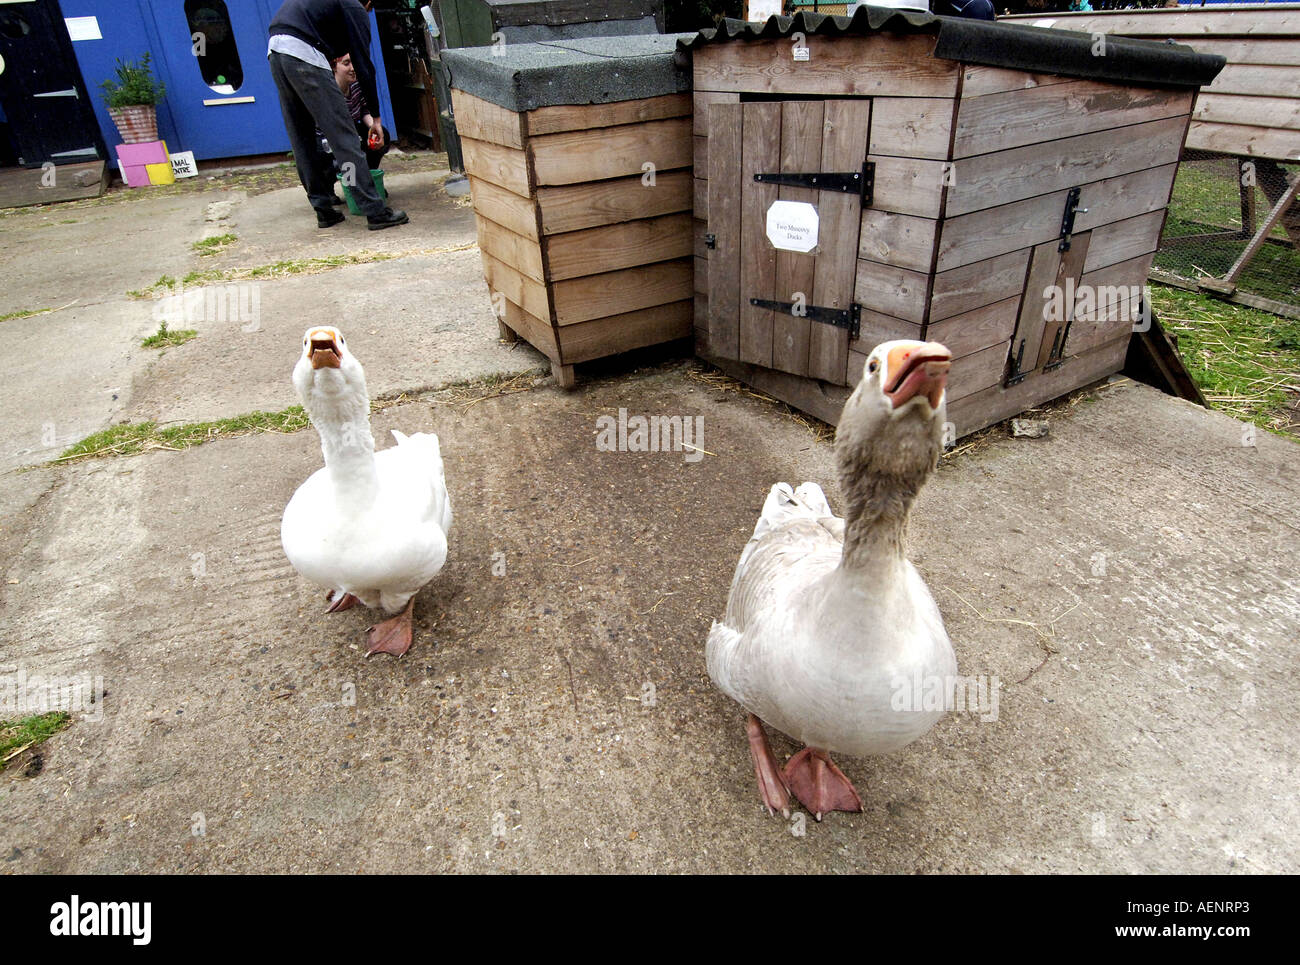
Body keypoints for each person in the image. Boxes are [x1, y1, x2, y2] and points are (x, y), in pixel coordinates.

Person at [267, 0, 407, 230]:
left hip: (276, 50)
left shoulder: (324, 7)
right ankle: (373, 210)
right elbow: (364, 65)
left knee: (301, 136)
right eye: (370, 9)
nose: (368, 14)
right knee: (344, 137)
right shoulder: (353, 6)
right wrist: (377, 118)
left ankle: (323, 210)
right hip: (303, 52)